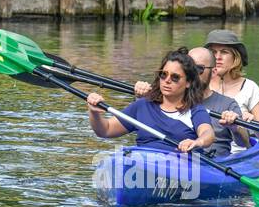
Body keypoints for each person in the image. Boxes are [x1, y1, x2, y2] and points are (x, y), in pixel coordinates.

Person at [86, 49, 215, 153]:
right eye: (163, 75)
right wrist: (94, 113)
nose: (167, 80)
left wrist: (197, 142)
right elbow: (105, 130)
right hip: (144, 166)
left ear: (188, 82)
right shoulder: (142, 105)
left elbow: (207, 133)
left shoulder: (195, 110)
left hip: (180, 168)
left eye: (175, 77)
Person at [205, 30, 259, 150]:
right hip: (206, 152)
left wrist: (252, 123)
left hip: (239, 155)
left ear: (235, 57)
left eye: (224, 52)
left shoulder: (250, 87)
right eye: (213, 52)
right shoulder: (199, 86)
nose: (217, 57)